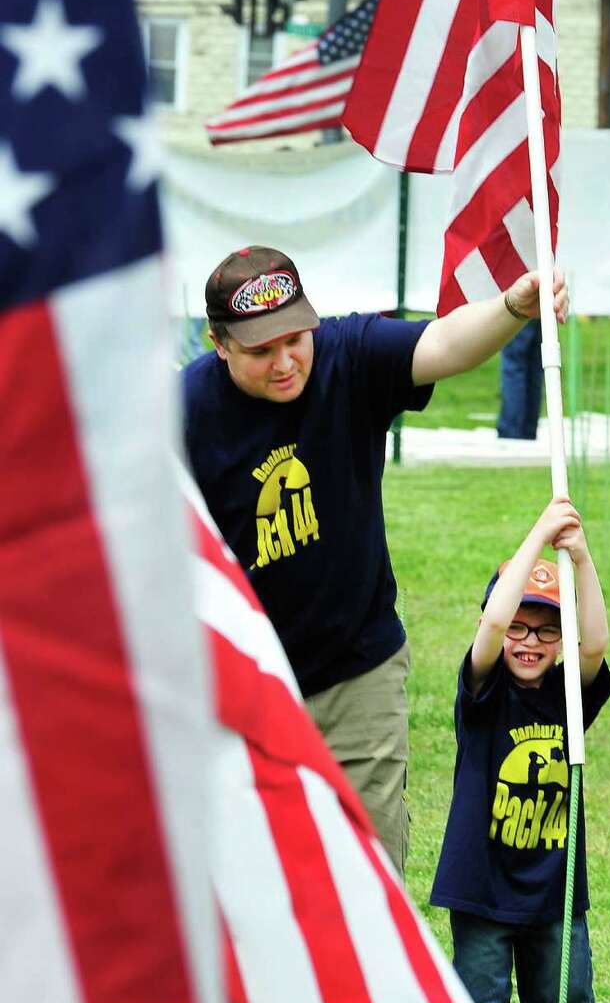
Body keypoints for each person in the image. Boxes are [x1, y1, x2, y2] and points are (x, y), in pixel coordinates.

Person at [182, 244, 566, 879]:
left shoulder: (347, 354)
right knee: (250, 877)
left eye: (294, 339)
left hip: (357, 672)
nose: (286, 362)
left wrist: (510, 308)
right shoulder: (182, 416)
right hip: (241, 685)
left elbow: (443, 344)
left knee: (369, 871)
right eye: (261, 350)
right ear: (219, 344)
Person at [431, 497, 610, 1003]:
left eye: (545, 631)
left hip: (553, 889)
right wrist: (540, 533)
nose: (529, 641)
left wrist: (580, 558)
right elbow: (492, 623)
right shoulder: (482, 693)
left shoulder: (568, 698)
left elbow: (596, 643)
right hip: (482, 887)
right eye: (519, 628)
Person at [496, 315, 543, 439]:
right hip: (541, 308)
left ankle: (511, 430)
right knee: (533, 366)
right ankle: (528, 431)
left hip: (522, 307)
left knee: (514, 364)